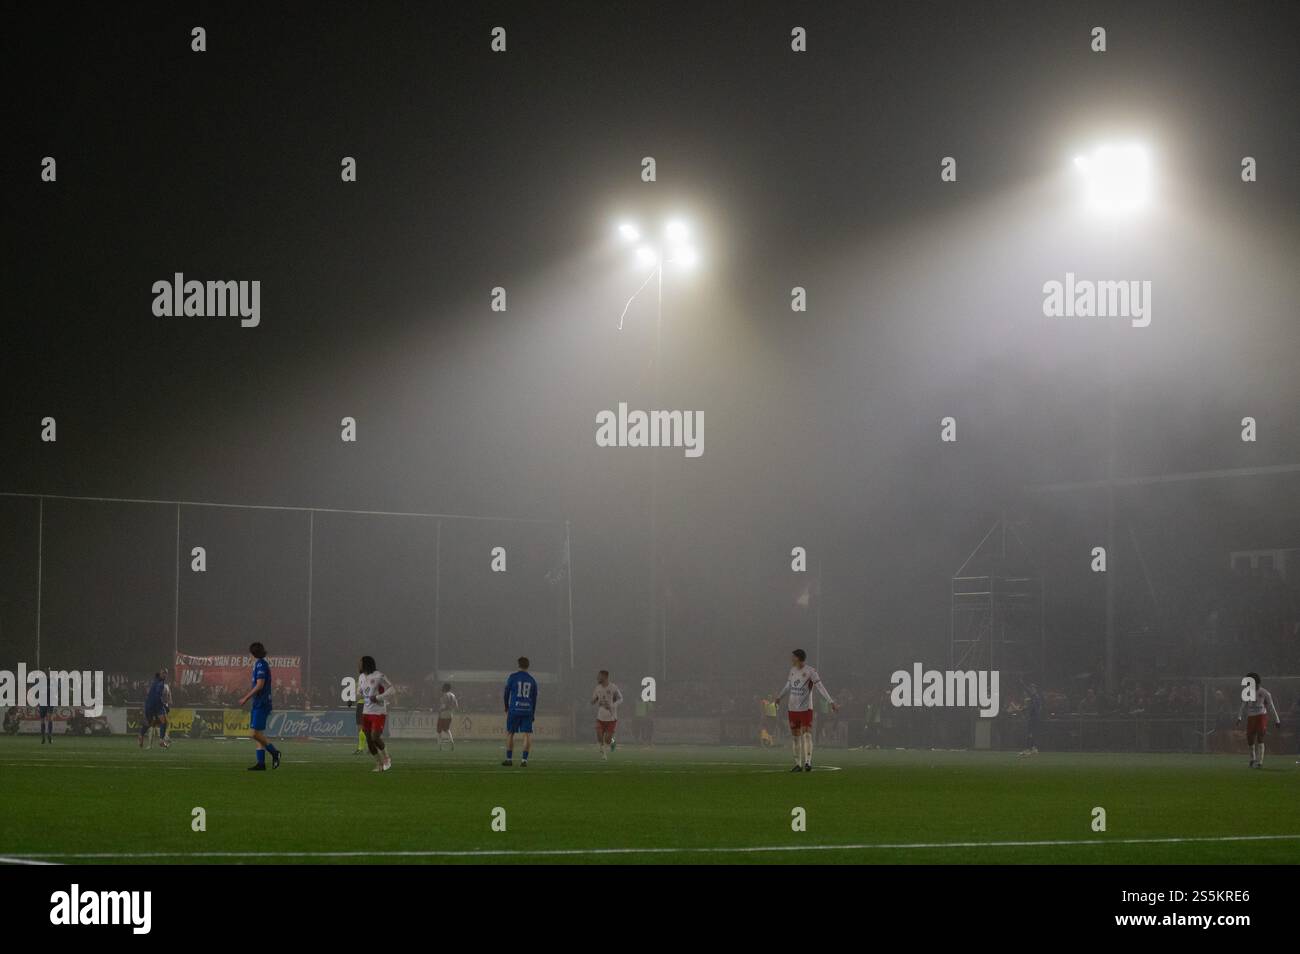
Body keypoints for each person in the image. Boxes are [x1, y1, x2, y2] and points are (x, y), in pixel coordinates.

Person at [774, 649, 838, 772]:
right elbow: (788, 686)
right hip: (792, 709)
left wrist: (831, 701)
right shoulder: (792, 671)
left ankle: (808, 762)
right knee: (795, 737)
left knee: (807, 734)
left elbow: (820, 686)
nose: (791, 659)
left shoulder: (811, 671)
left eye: (793, 657)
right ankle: (798, 764)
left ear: (798, 658)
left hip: (806, 709)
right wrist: (779, 697)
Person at [235, 642, 281, 771]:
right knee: (258, 733)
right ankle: (261, 763)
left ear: (252, 653)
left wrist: (245, 697)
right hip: (258, 702)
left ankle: (274, 752)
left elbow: (260, 684)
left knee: (254, 734)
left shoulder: (260, 664)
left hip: (262, 702)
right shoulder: (257, 664)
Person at [1236, 672, 1282, 769]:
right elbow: (1242, 706)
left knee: (1260, 737)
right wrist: (1239, 717)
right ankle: (1252, 759)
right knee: (1250, 738)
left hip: (1261, 716)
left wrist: (1277, 720)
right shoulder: (1247, 692)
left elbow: (1271, 707)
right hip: (1251, 717)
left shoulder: (1265, 693)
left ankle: (1260, 761)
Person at [358, 656, 393, 772]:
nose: (359, 665)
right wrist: (356, 695)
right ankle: (379, 763)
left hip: (378, 712)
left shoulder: (379, 676)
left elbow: (392, 689)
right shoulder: (361, 677)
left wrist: (378, 697)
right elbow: (360, 692)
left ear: (366, 664)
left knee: (375, 737)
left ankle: (387, 758)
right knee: (369, 740)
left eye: (360, 663)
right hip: (366, 712)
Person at [502, 657, 538, 767]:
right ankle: (524, 760)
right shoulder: (532, 680)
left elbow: (506, 693)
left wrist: (506, 706)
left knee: (510, 733)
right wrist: (533, 712)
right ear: (528, 666)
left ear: (518, 665)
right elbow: (534, 698)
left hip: (514, 709)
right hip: (527, 709)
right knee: (527, 734)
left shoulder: (513, 677)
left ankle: (509, 759)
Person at [590, 670, 623, 760]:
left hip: (611, 718)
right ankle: (603, 753)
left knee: (608, 740)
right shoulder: (598, 688)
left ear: (605, 677)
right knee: (599, 735)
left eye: (599, 676)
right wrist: (595, 701)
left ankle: (612, 740)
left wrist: (612, 705)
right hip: (600, 717)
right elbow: (593, 701)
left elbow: (620, 699)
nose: (597, 678)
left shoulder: (613, 687)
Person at [138, 669, 171, 750]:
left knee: (155, 723)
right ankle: (159, 740)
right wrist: (164, 705)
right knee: (158, 723)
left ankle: (142, 735)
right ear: (160, 674)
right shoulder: (160, 683)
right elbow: (157, 696)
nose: (165, 675)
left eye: (166, 673)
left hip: (150, 704)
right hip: (154, 705)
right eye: (163, 673)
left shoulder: (158, 681)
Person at [1018, 683, 1042, 757]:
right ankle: (1033, 749)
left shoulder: (1035, 697)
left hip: (1033, 718)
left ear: (1035, 689)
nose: (1031, 690)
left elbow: (1034, 708)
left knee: (1030, 734)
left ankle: (1029, 749)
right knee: (1031, 734)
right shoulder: (1034, 697)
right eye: (1031, 688)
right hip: (1033, 718)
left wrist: (1021, 683)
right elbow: (1034, 707)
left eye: (1032, 688)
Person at [437, 682, 459, 751]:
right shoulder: (453, 695)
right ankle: (451, 741)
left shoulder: (445, 695)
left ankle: (440, 745)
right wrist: (452, 711)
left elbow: (444, 705)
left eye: (443, 687)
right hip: (450, 714)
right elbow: (456, 706)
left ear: (445, 688)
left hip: (443, 714)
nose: (442, 688)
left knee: (439, 729)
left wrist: (440, 710)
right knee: (446, 728)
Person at [353, 658, 367, 755]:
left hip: (366, 704)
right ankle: (361, 748)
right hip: (360, 704)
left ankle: (363, 748)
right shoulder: (361, 676)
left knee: (364, 727)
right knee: (360, 727)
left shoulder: (369, 677)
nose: (359, 666)